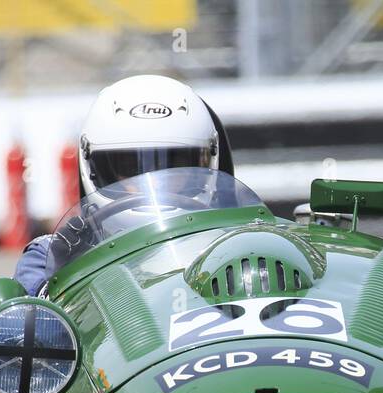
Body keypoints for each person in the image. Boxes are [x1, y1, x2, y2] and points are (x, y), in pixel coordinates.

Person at [13, 74, 233, 296]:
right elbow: (25, 324)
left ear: (207, 162)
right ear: (96, 169)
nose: (152, 183)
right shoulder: (52, 256)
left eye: (175, 165)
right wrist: (62, 280)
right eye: (130, 168)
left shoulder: (235, 247)